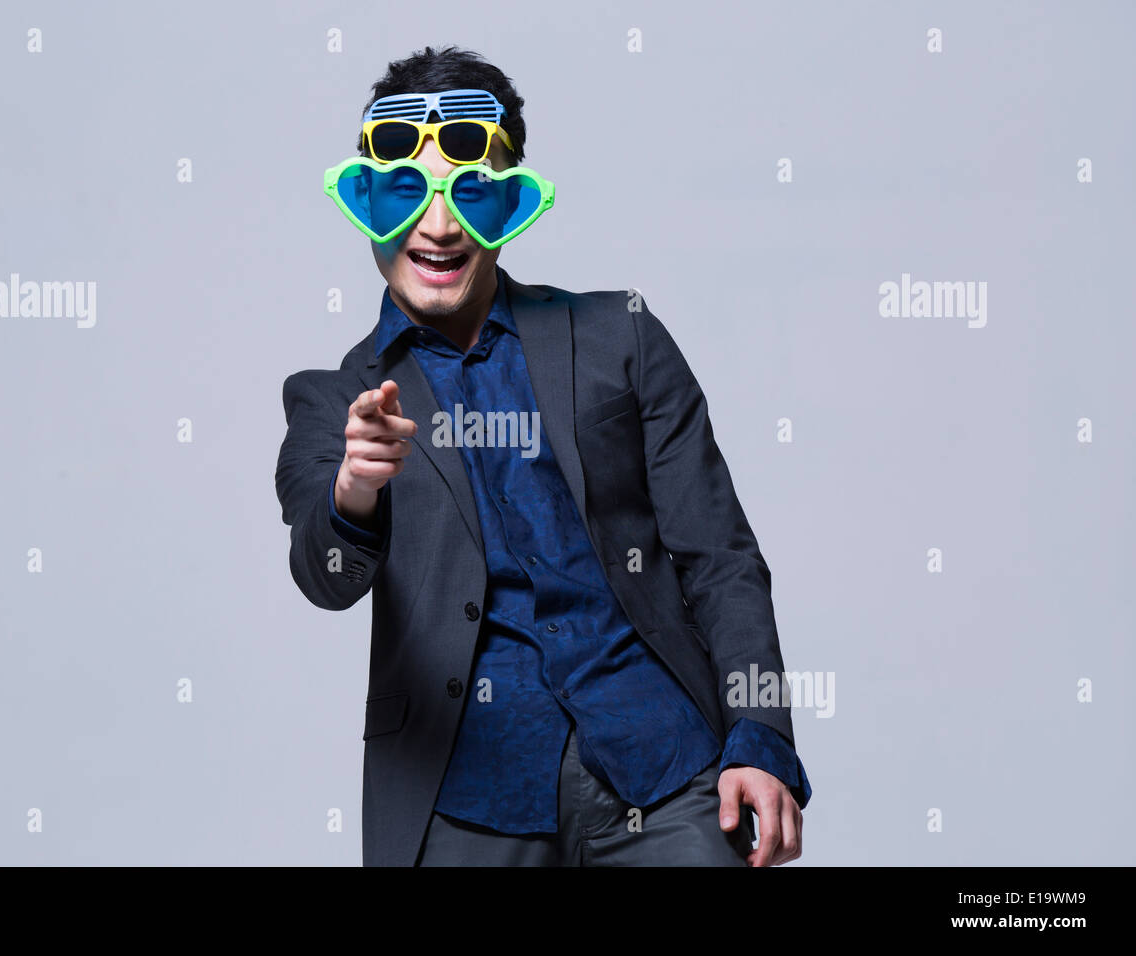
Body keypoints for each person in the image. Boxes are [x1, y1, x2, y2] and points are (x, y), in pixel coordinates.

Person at [275, 45, 811, 866]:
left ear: (513, 200)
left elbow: (723, 558)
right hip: (463, 801)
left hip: (665, 771)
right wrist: (356, 491)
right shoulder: (331, 395)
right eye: (412, 195)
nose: (442, 227)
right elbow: (326, 579)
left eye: (471, 194)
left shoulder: (619, 335)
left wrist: (761, 735)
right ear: (370, 200)